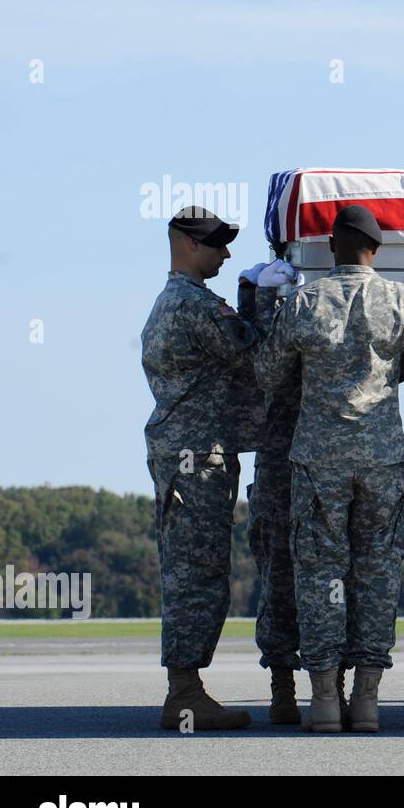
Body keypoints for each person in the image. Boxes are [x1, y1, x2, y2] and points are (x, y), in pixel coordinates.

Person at [255, 204, 404, 732]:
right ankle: (366, 701)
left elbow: (268, 374)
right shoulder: (401, 302)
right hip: (382, 462)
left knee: (320, 577)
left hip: (318, 462)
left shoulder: (302, 303)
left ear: (331, 247)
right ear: (376, 249)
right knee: (376, 576)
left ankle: (323, 700)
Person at [141, 207, 295, 731]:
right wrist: (267, 297)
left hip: (191, 454)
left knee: (196, 570)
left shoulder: (179, 302)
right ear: (187, 244)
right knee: (196, 575)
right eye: (216, 245)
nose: (225, 254)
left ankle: (186, 689)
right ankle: (184, 693)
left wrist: (251, 296)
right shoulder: (193, 306)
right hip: (195, 459)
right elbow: (257, 357)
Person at [237, 243, 306, 725]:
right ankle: (283, 685)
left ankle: (333, 685)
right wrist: (256, 298)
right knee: (279, 571)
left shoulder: (333, 304)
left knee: (327, 576)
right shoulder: (265, 294)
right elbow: (255, 359)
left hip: (317, 457)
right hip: (282, 456)